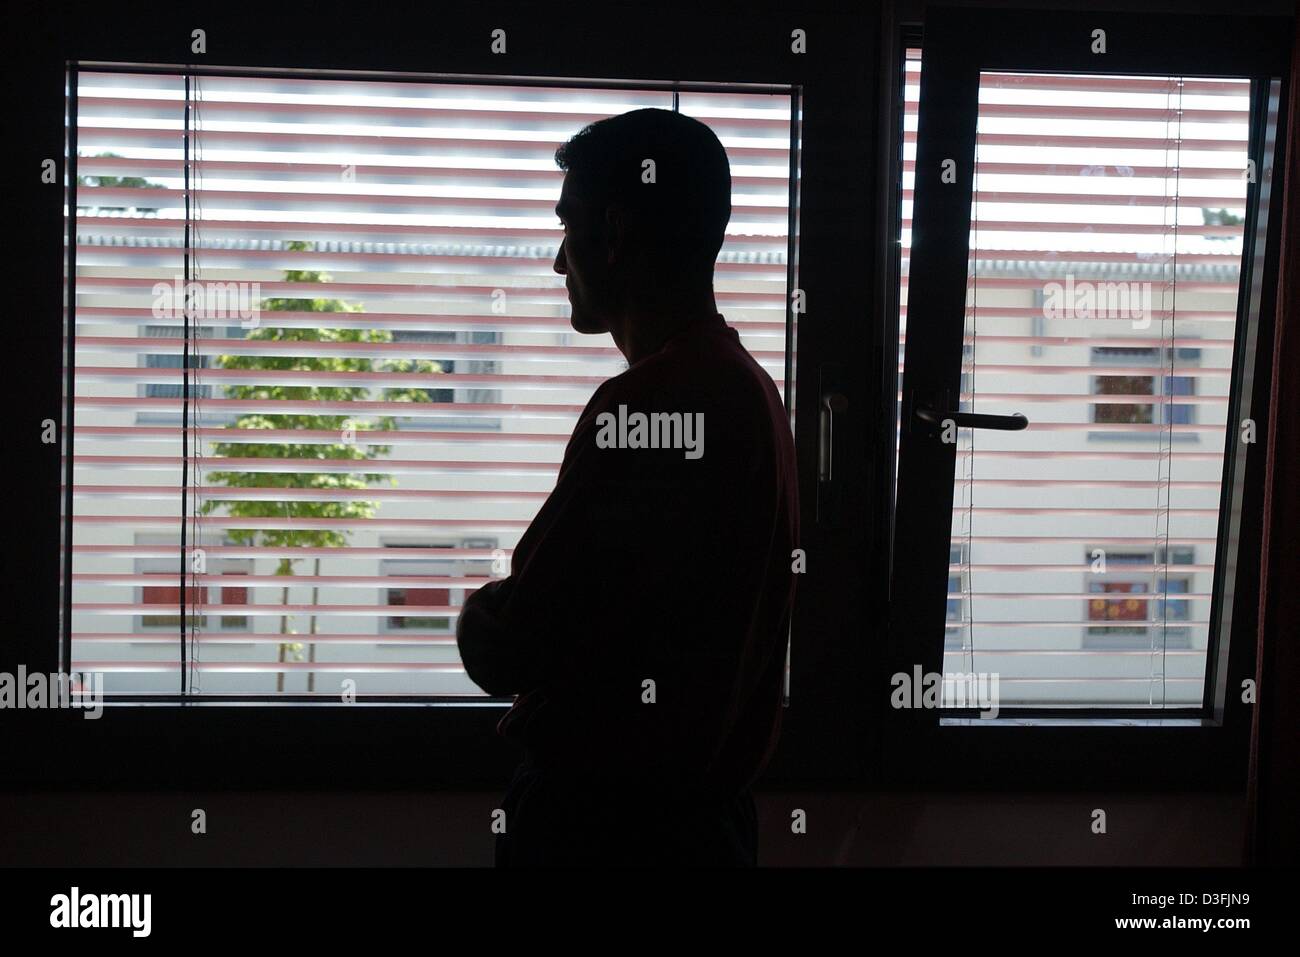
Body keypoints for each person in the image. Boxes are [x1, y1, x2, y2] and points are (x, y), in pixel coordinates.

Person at [455, 108, 799, 867]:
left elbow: (512, 644)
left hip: (608, 836)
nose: (556, 262)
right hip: (700, 833)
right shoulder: (751, 391)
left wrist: (475, 612)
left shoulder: (652, 404)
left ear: (613, 231)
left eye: (567, 225)